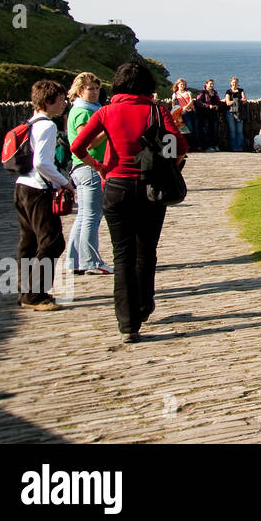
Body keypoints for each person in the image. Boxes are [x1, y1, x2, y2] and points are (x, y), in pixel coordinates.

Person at [71, 61, 186, 343]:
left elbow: (77, 146)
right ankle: (144, 306)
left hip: (116, 187)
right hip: (151, 188)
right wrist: (167, 161)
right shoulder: (156, 111)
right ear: (148, 86)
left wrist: (99, 166)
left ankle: (127, 322)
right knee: (146, 251)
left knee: (122, 254)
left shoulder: (107, 112)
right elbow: (179, 147)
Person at [15, 80, 74, 311]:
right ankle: (36, 294)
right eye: (61, 100)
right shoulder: (48, 126)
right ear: (49, 102)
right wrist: (64, 182)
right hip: (38, 189)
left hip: (22, 186)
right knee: (52, 241)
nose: (64, 104)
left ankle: (25, 290)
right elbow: (41, 162)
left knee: (28, 243)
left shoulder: (31, 122)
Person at [64, 72, 112, 276]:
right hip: (90, 166)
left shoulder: (86, 109)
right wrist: (108, 129)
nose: (94, 92)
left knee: (84, 216)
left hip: (83, 167)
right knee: (92, 215)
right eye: (90, 89)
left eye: (96, 88)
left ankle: (74, 260)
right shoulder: (83, 113)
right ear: (79, 90)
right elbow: (88, 142)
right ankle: (91, 261)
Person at [195, 79, 222, 151]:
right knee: (207, 130)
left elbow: (218, 101)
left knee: (215, 130)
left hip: (214, 114)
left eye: (213, 84)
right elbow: (198, 102)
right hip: (205, 114)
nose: (212, 85)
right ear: (206, 84)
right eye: (210, 84)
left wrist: (217, 106)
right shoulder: (202, 92)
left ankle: (215, 145)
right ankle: (208, 146)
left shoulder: (215, 92)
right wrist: (208, 106)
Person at [224, 77, 247, 152]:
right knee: (232, 131)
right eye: (233, 82)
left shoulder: (241, 90)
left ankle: (240, 147)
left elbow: (244, 100)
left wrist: (234, 101)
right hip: (230, 113)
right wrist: (238, 101)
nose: (234, 83)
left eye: (236, 82)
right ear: (231, 83)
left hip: (240, 113)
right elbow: (227, 102)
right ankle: (234, 147)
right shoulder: (228, 91)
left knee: (240, 131)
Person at [170, 78, 196, 144]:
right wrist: (176, 114)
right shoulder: (175, 94)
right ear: (178, 85)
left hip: (189, 111)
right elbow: (173, 104)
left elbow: (191, 101)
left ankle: (192, 144)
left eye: (184, 85)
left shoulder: (188, 92)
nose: (183, 86)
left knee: (193, 128)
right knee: (185, 129)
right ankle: (187, 144)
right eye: (181, 84)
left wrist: (185, 108)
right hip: (181, 113)